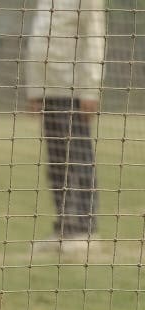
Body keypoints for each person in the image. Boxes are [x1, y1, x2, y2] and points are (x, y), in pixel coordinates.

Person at [25, 0, 106, 255]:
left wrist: (90, 89)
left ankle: (84, 230)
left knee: (78, 159)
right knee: (57, 163)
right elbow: (39, 40)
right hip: (49, 90)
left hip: (73, 90)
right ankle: (64, 228)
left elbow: (95, 39)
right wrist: (35, 90)